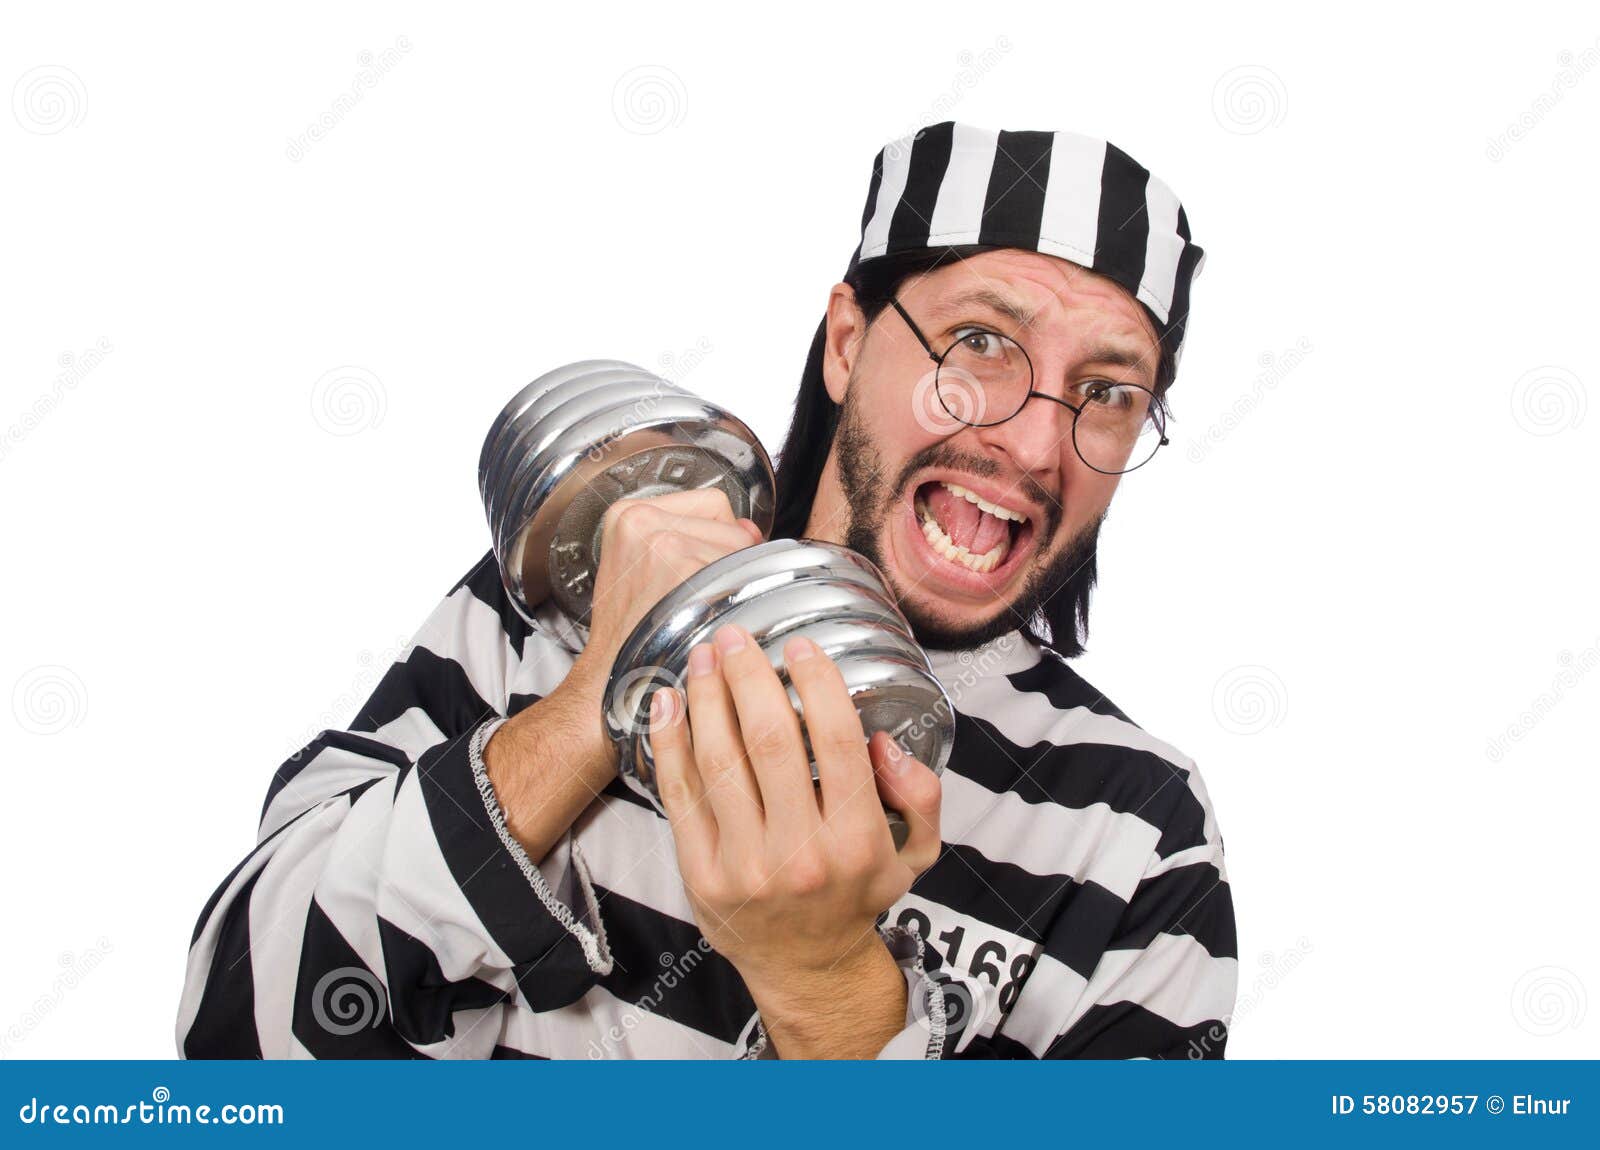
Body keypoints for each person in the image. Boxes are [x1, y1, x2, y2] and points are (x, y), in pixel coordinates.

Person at [178, 121, 1237, 1059]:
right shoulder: (550, 603)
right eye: (979, 344)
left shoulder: (1139, 830)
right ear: (846, 340)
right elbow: (234, 1031)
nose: (1038, 441)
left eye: (1107, 392)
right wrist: (599, 697)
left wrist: (825, 986)